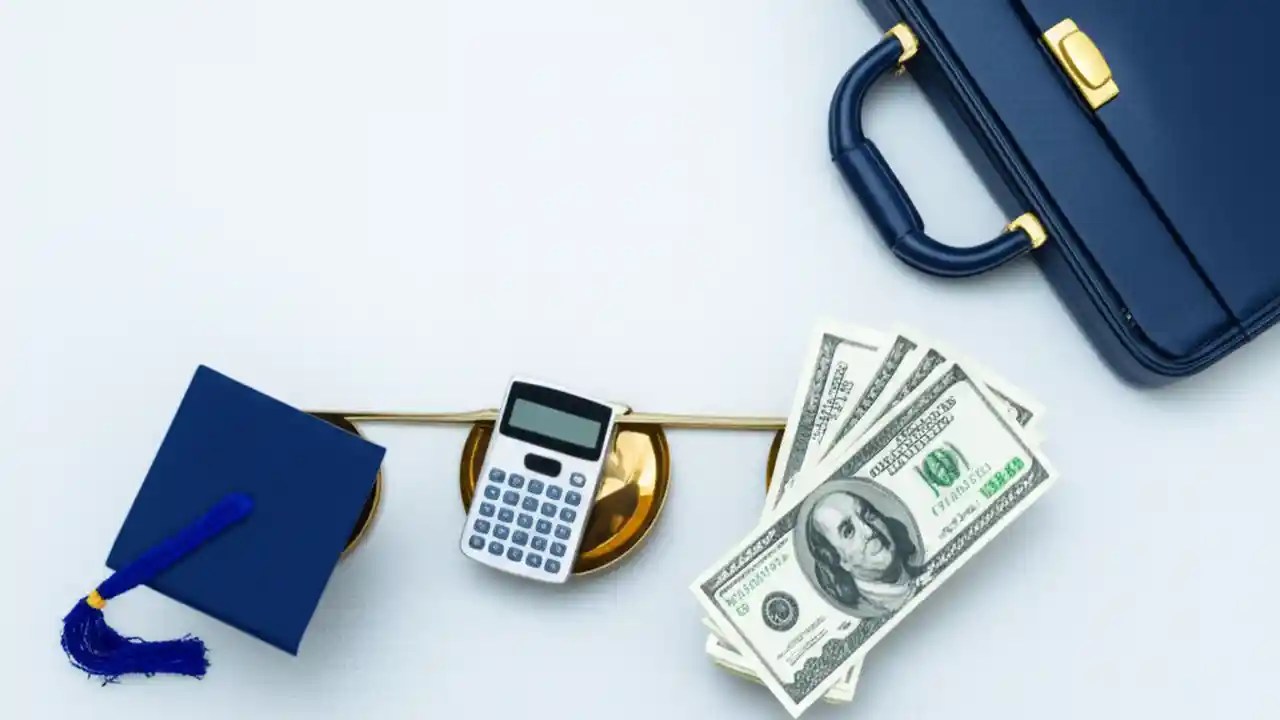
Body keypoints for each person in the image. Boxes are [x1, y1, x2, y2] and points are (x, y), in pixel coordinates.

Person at [805, 489, 921, 617]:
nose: (869, 531)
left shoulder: (920, 568)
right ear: (838, 560)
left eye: (868, 515)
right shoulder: (872, 609)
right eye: (848, 531)